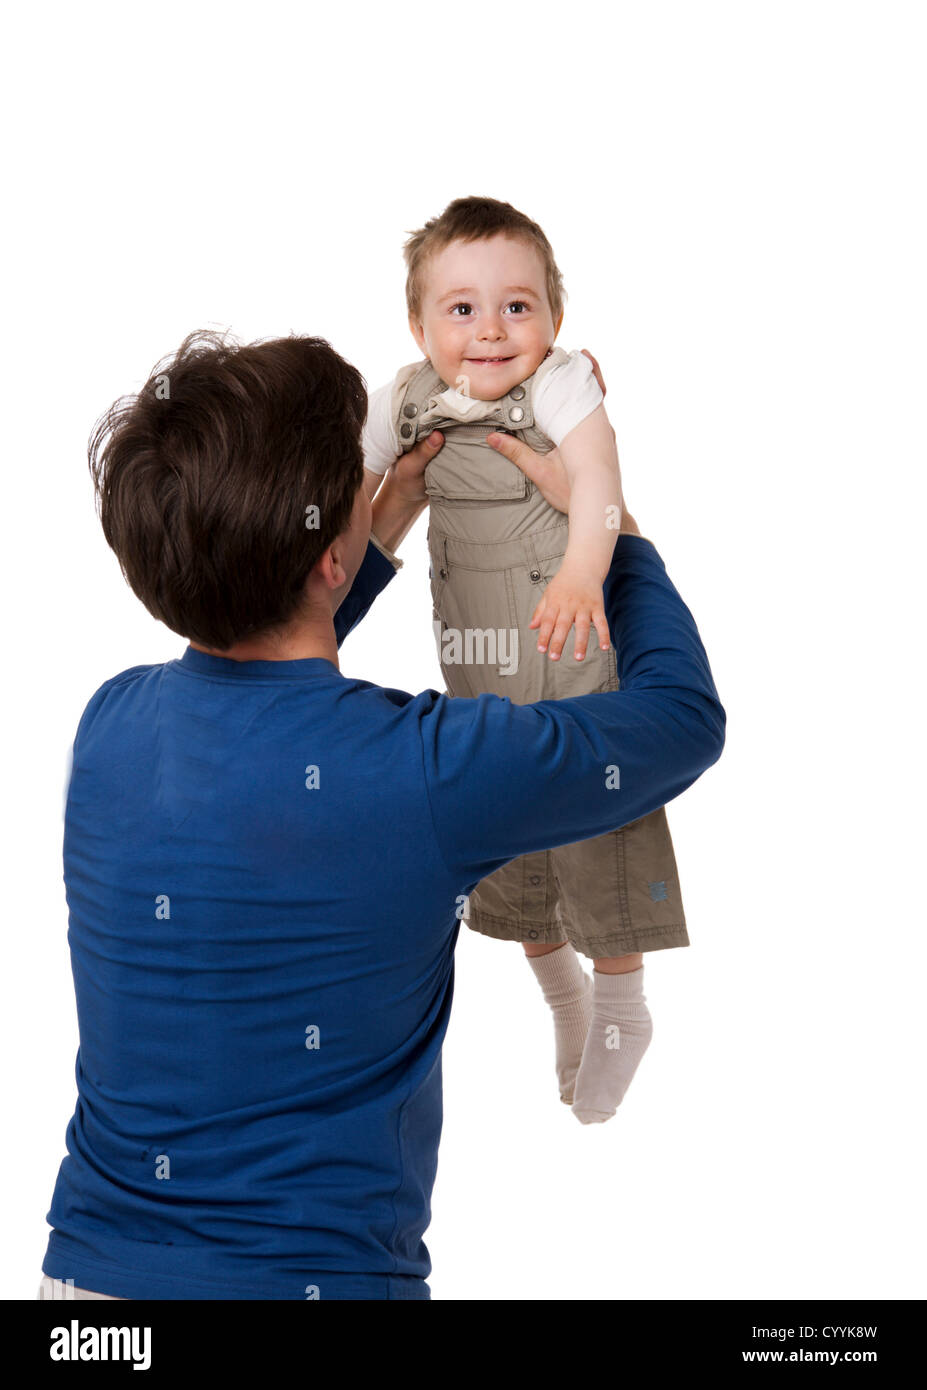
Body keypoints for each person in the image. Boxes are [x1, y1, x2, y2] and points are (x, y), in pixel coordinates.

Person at [38, 329, 724, 1302]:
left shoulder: (112, 729)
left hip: (88, 1296)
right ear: (328, 557)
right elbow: (679, 722)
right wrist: (607, 528)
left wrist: (372, 525)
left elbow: (267, 692)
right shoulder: (430, 773)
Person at [362, 195, 691, 1120]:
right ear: (418, 324)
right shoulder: (401, 398)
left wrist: (587, 573)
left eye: (519, 304)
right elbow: (346, 490)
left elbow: (595, 477)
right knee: (503, 860)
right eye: (460, 308)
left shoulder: (559, 385)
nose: (492, 329)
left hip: (577, 671)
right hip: (481, 682)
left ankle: (621, 1001)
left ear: (553, 317)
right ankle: (563, 1000)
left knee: (598, 836)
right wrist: (359, 523)